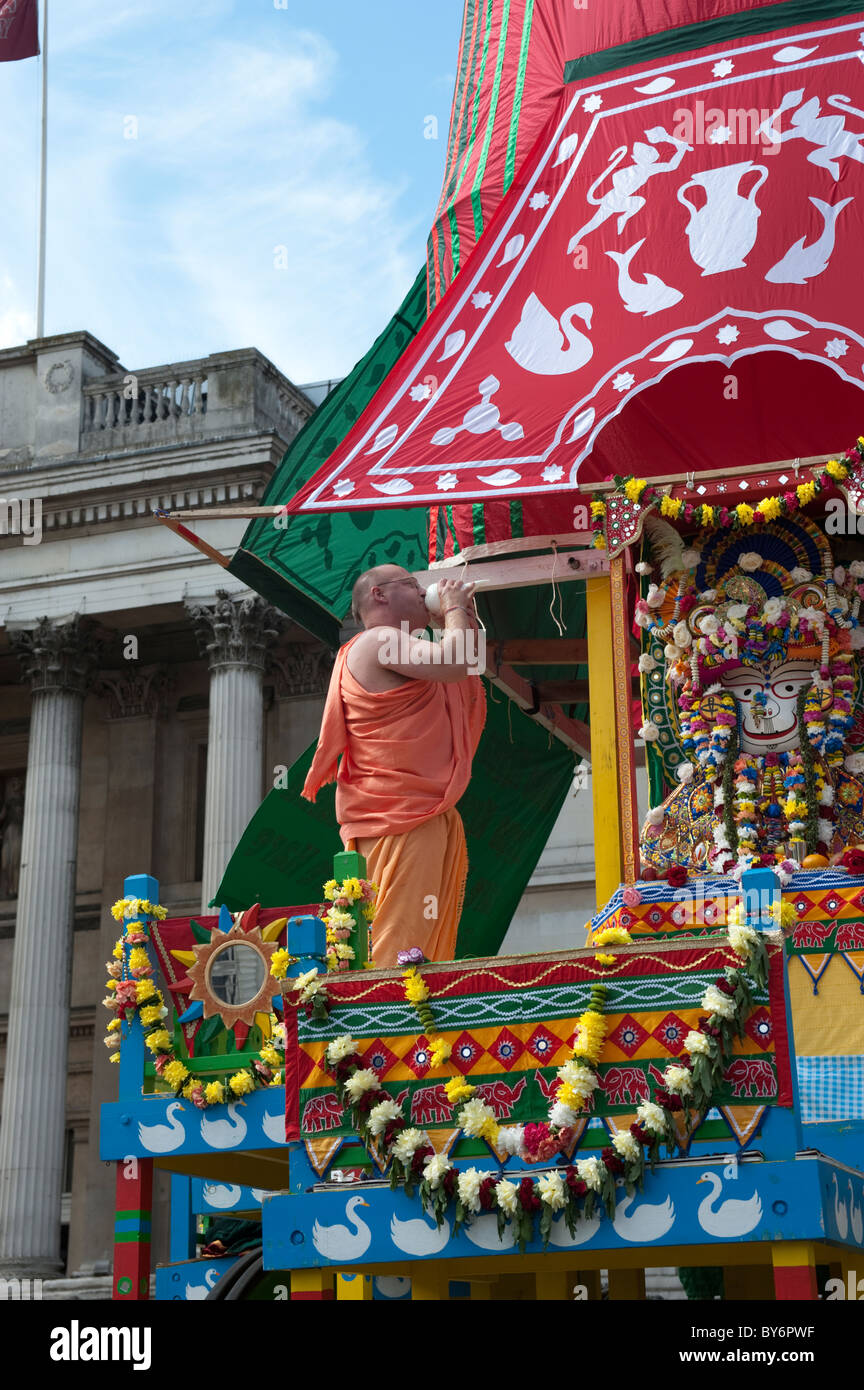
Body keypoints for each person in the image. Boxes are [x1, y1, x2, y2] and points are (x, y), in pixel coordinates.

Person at [302, 564, 485, 967]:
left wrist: (458, 616)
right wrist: (453, 607)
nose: (423, 593)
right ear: (379, 595)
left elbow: (469, 663)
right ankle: (383, 1030)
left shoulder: (400, 646)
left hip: (416, 816)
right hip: (398, 818)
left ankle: (412, 1025)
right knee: (399, 948)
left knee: (420, 948)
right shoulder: (378, 641)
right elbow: (458, 661)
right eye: (412, 585)